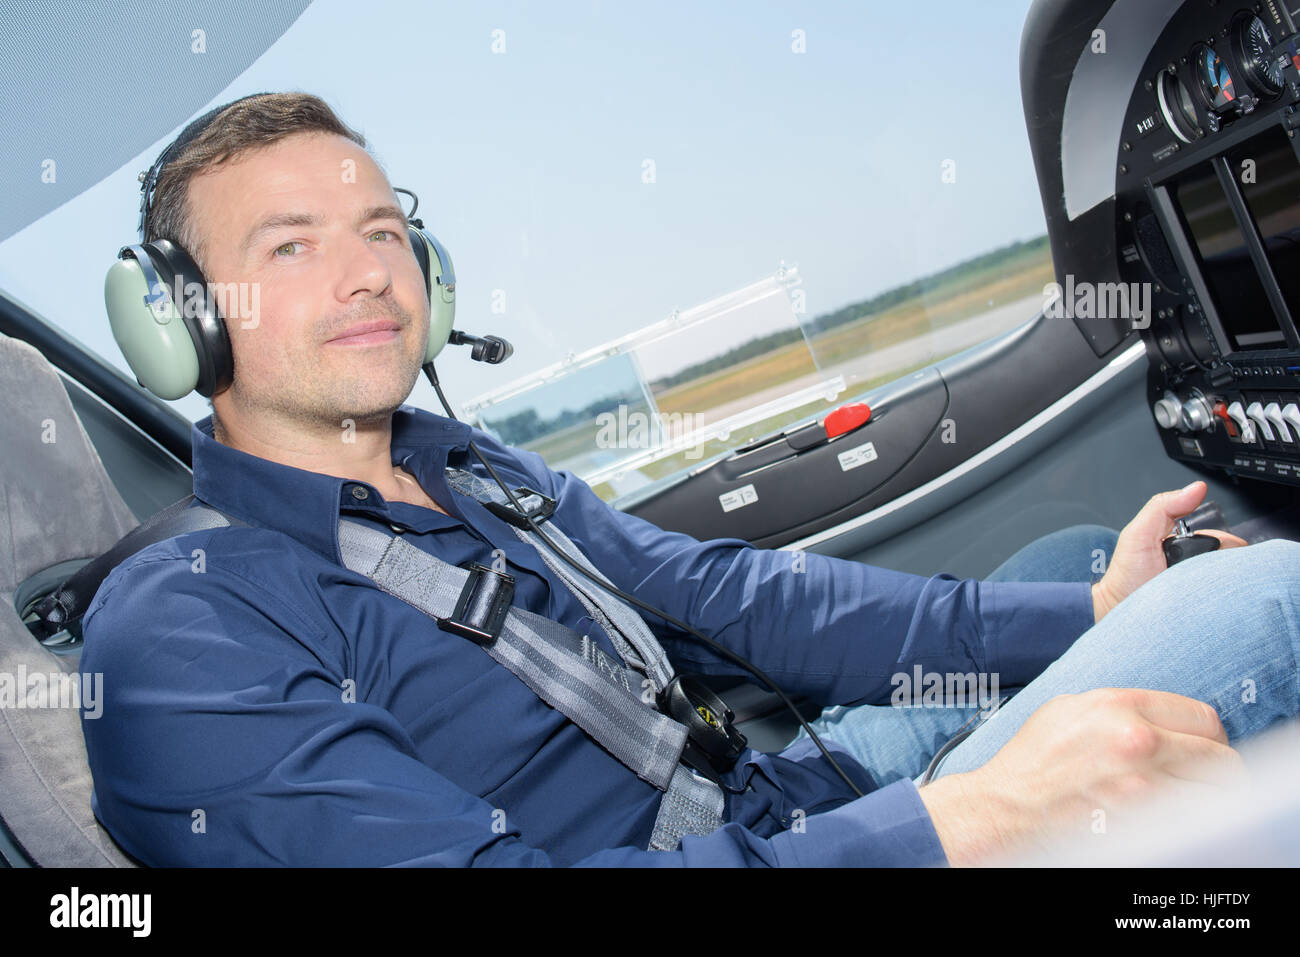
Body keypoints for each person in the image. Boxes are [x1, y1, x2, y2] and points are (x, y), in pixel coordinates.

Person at [79, 92, 1297, 867]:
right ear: (182, 323)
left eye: (383, 233)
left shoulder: (463, 471)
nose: (367, 277)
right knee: (1259, 603)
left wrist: (1092, 617)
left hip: (783, 801)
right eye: (291, 245)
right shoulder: (183, 637)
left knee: (1081, 563)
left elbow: (738, 603)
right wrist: (966, 822)